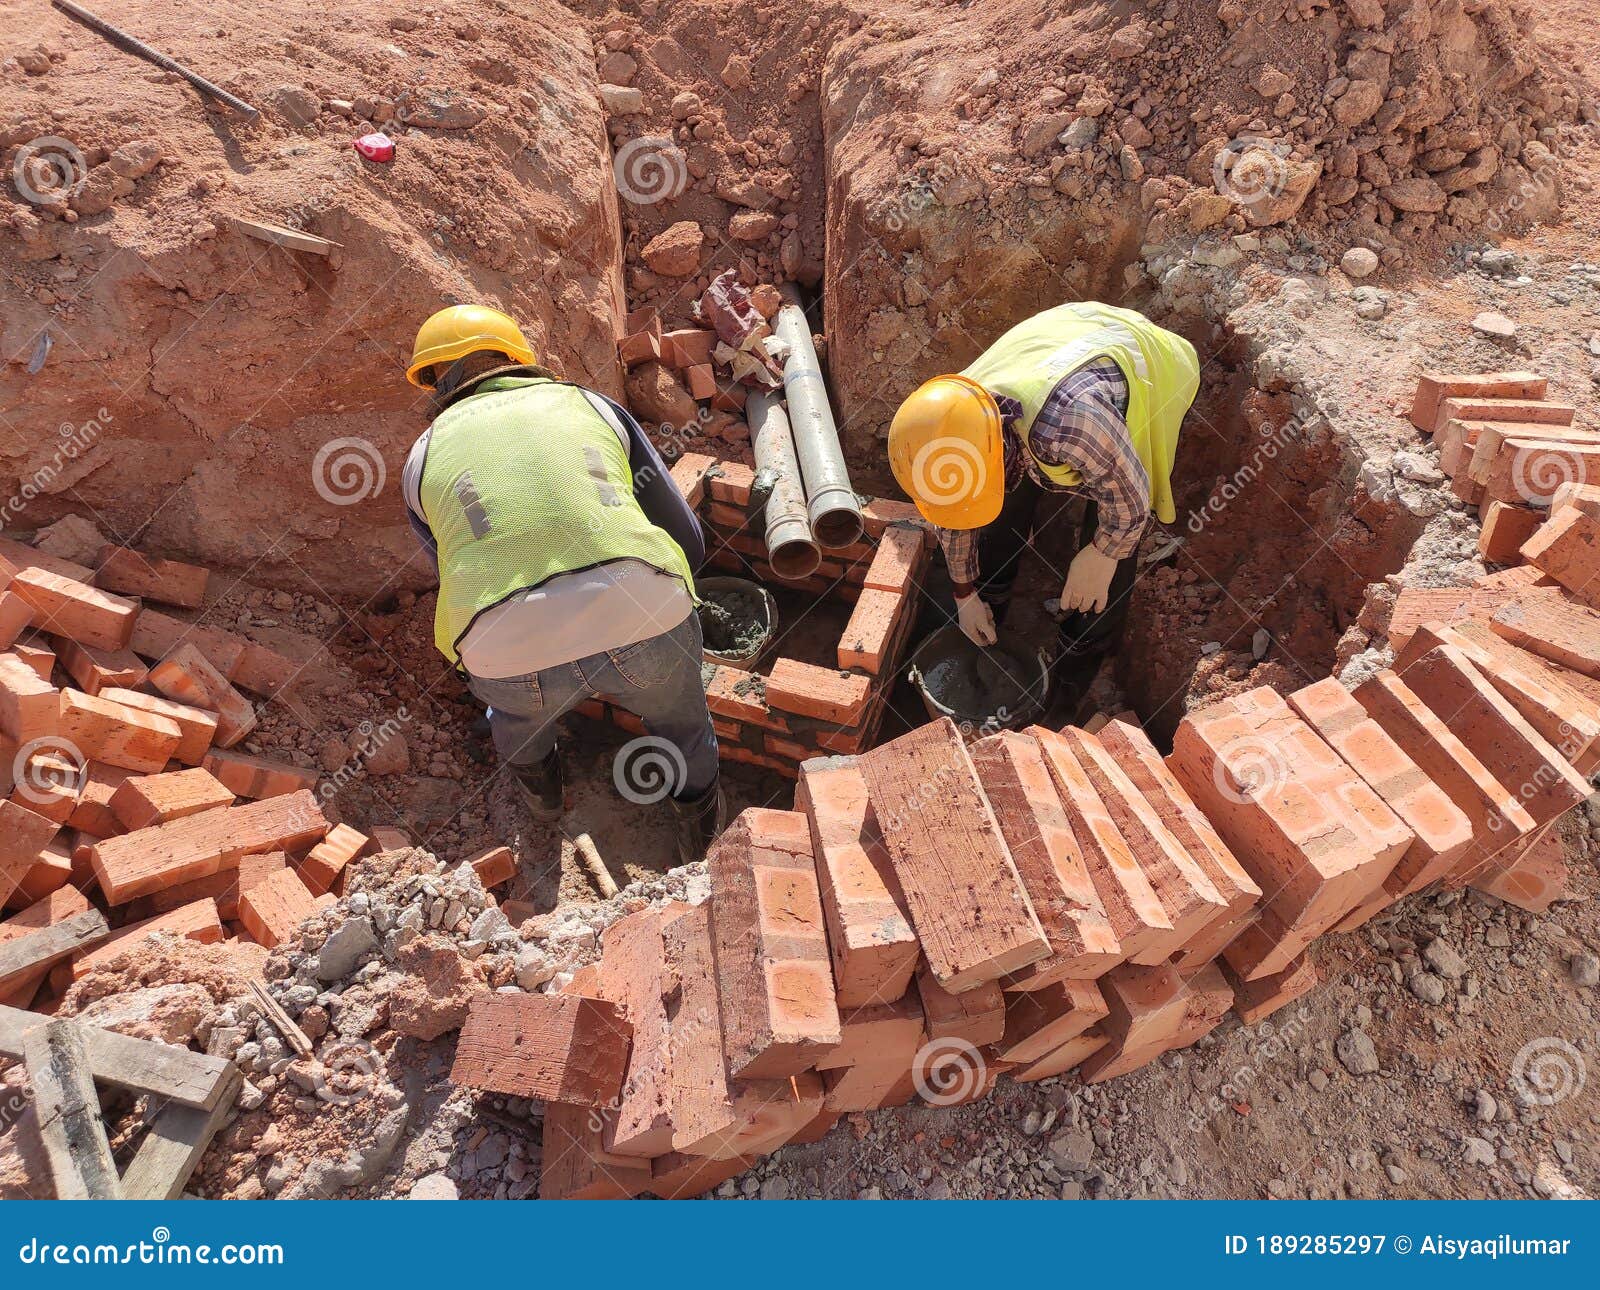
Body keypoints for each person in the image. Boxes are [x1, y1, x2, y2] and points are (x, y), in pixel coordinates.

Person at [400, 304, 723, 861]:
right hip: (642, 610)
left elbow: (456, 569)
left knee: (518, 721)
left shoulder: (421, 459)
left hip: (505, 648)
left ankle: (544, 806)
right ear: (515, 358)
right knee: (682, 721)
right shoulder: (591, 405)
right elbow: (686, 537)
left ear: (433, 383)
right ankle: (696, 840)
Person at [887, 301, 1199, 713]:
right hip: (1066, 342)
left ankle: (1069, 681)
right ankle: (992, 602)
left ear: (1006, 449)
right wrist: (965, 594)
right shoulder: (952, 415)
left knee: (1107, 565)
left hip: (1150, 369)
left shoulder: (1069, 423)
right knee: (995, 509)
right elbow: (955, 513)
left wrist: (1102, 556)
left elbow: (1131, 498)